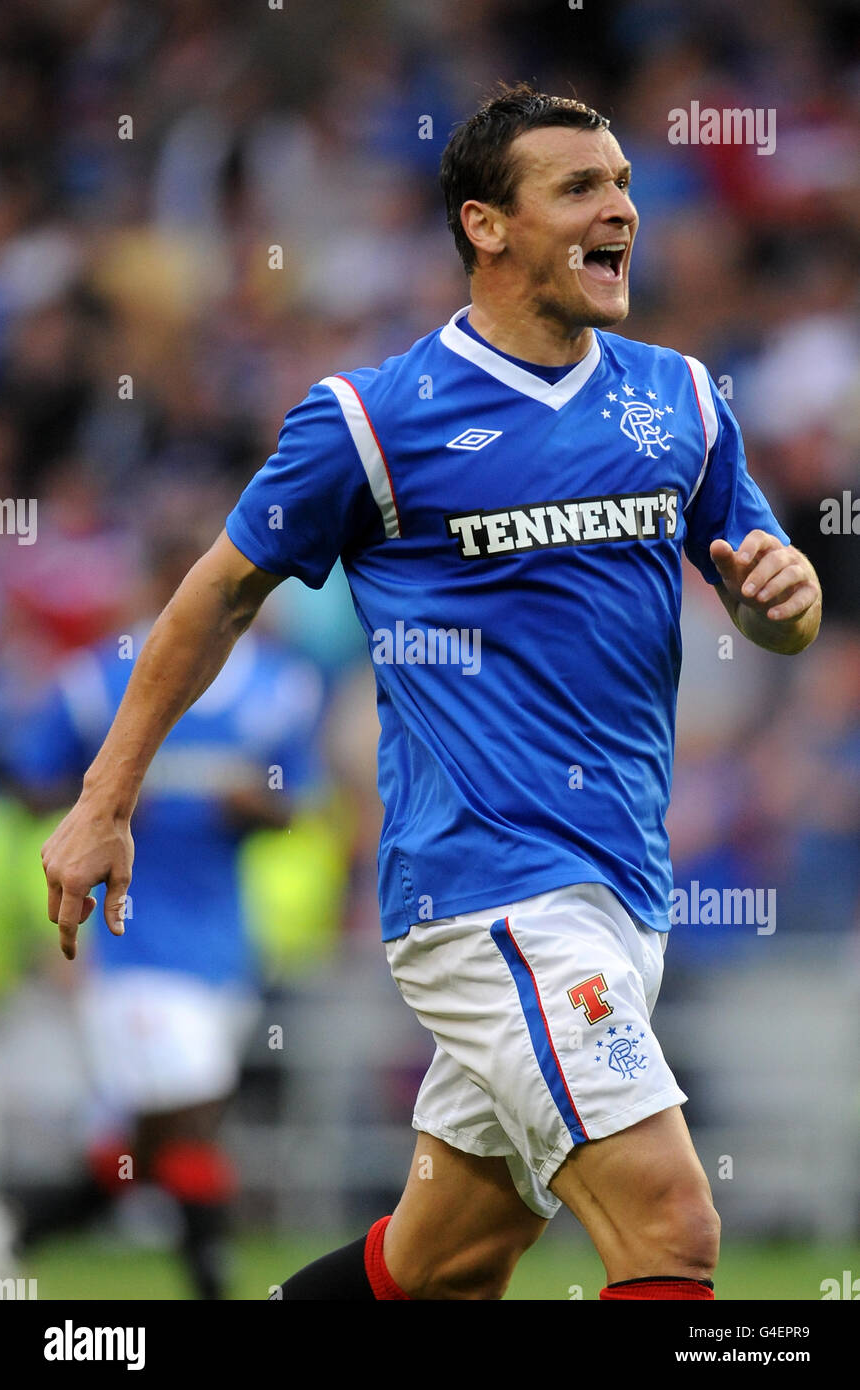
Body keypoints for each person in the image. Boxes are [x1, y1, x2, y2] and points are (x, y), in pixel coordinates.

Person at [40, 84, 822, 1302]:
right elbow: (212, 601)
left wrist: (786, 603)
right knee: (671, 1229)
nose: (621, 207)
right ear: (485, 225)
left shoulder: (679, 400)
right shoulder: (372, 418)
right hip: (487, 894)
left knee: (440, 1264)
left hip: (621, 888)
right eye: (579, 188)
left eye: (620, 185)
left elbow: (783, 608)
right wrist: (103, 801)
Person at [14, 525, 325, 1298]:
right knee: (191, 1113)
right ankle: (213, 1287)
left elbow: (300, 803)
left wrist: (256, 804)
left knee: (152, 1141)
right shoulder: (96, 680)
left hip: (224, 945)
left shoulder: (277, 688)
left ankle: (18, 1225)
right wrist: (104, 802)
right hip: (131, 941)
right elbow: (30, 782)